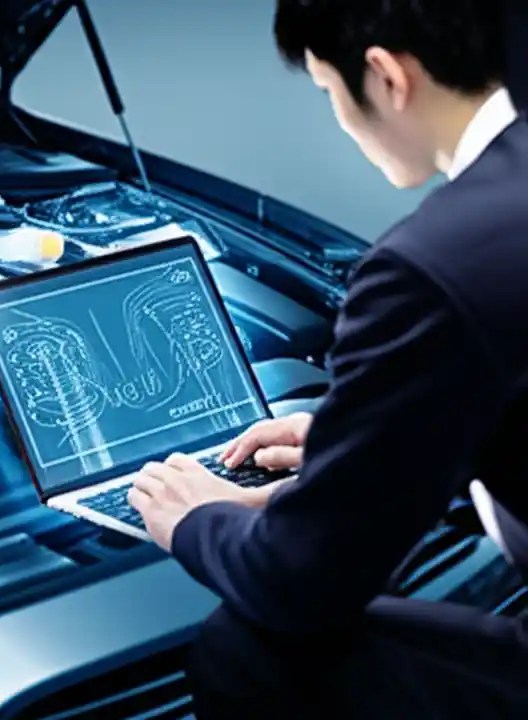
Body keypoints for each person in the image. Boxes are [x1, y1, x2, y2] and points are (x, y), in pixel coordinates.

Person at [127, 1, 528, 717]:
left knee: (243, 651)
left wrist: (197, 519)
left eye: (328, 91)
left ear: (384, 77)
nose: (339, 117)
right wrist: (369, 440)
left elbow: (297, 582)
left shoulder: (427, 267)